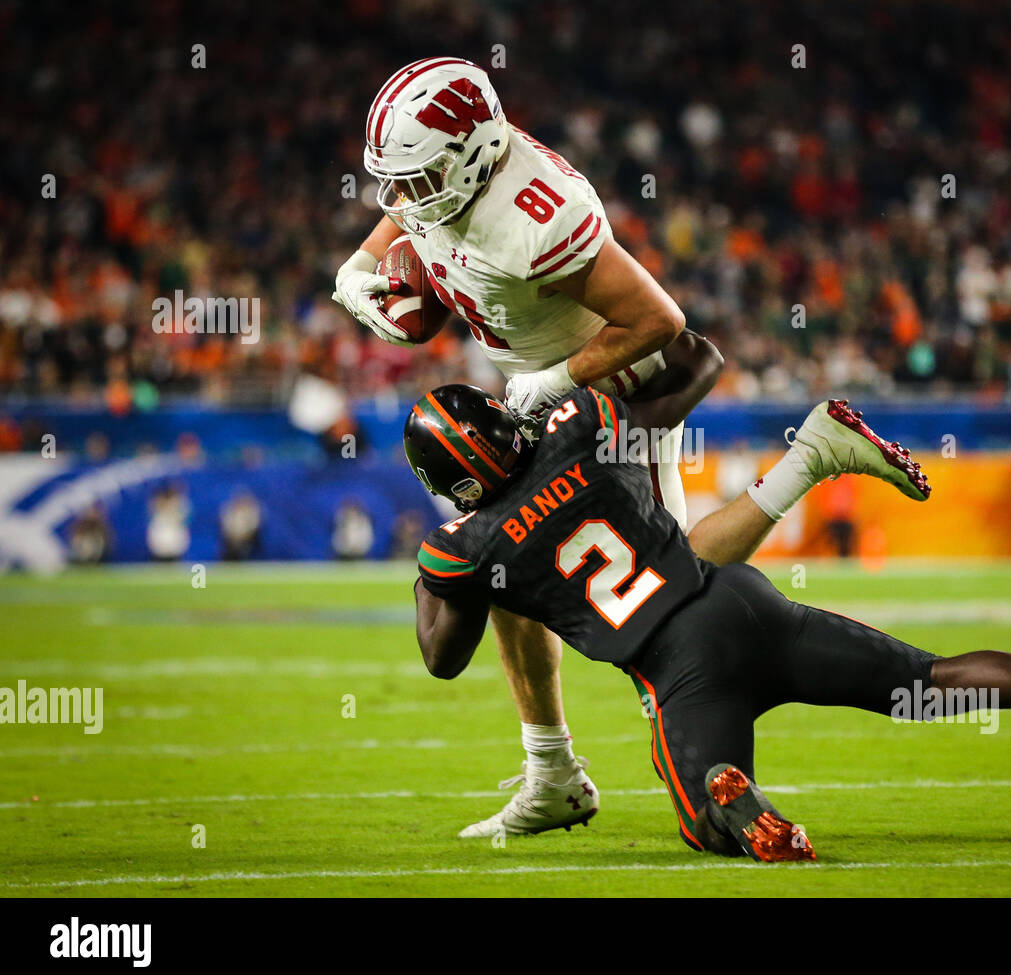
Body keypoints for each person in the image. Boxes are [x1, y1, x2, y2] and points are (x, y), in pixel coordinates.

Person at [331, 58, 913, 837]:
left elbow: (659, 321)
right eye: (397, 180)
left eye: (421, 175)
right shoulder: (452, 176)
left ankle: (812, 454)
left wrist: (558, 380)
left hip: (604, 393)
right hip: (536, 388)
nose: (404, 196)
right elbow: (414, 210)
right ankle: (553, 770)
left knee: (673, 594)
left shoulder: (538, 215)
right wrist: (363, 265)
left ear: (470, 155)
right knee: (512, 568)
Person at [401, 341, 1011, 861]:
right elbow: (696, 361)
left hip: (681, 667)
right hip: (743, 599)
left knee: (699, 824)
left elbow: (442, 657)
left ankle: (735, 795)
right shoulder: (577, 428)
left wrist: (433, 570)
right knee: (933, 682)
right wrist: (568, 380)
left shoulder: (465, 544)